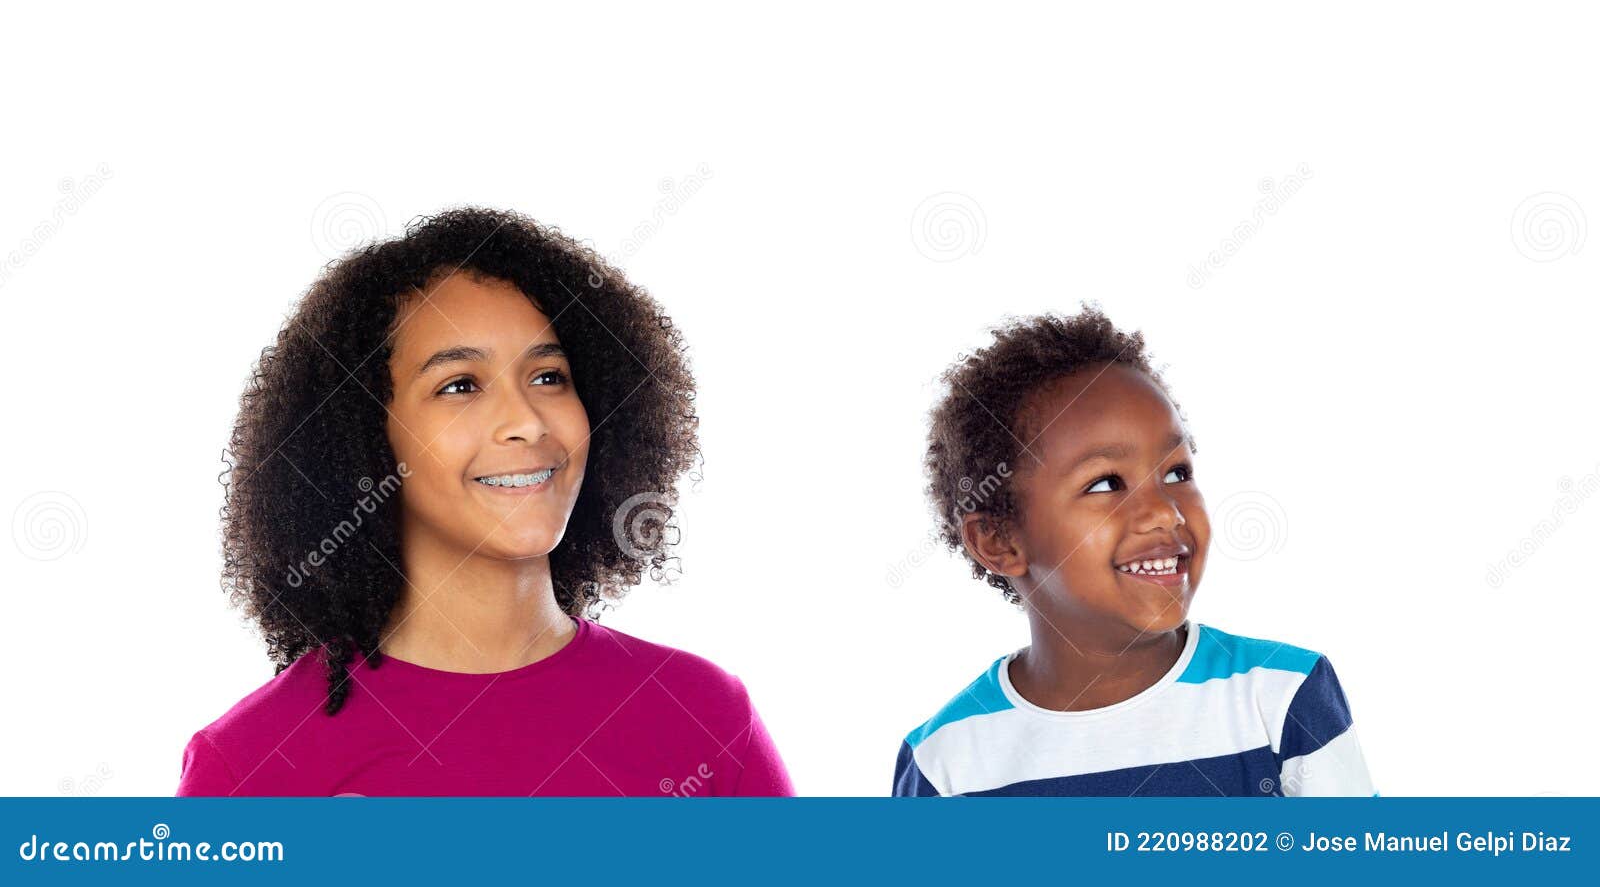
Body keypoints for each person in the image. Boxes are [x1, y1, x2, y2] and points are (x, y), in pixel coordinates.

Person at [177, 207, 792, 796]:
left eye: (549, 376)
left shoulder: (703, 716)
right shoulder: (253, 765)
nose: (524, 421)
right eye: (460, 385)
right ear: (363, 436)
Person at [893, 307, 1373, 796]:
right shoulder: (944, 761)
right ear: (999, 541)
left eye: (1176, 473)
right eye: (1105, 483)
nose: (1164, 513)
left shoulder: (1282, 696)